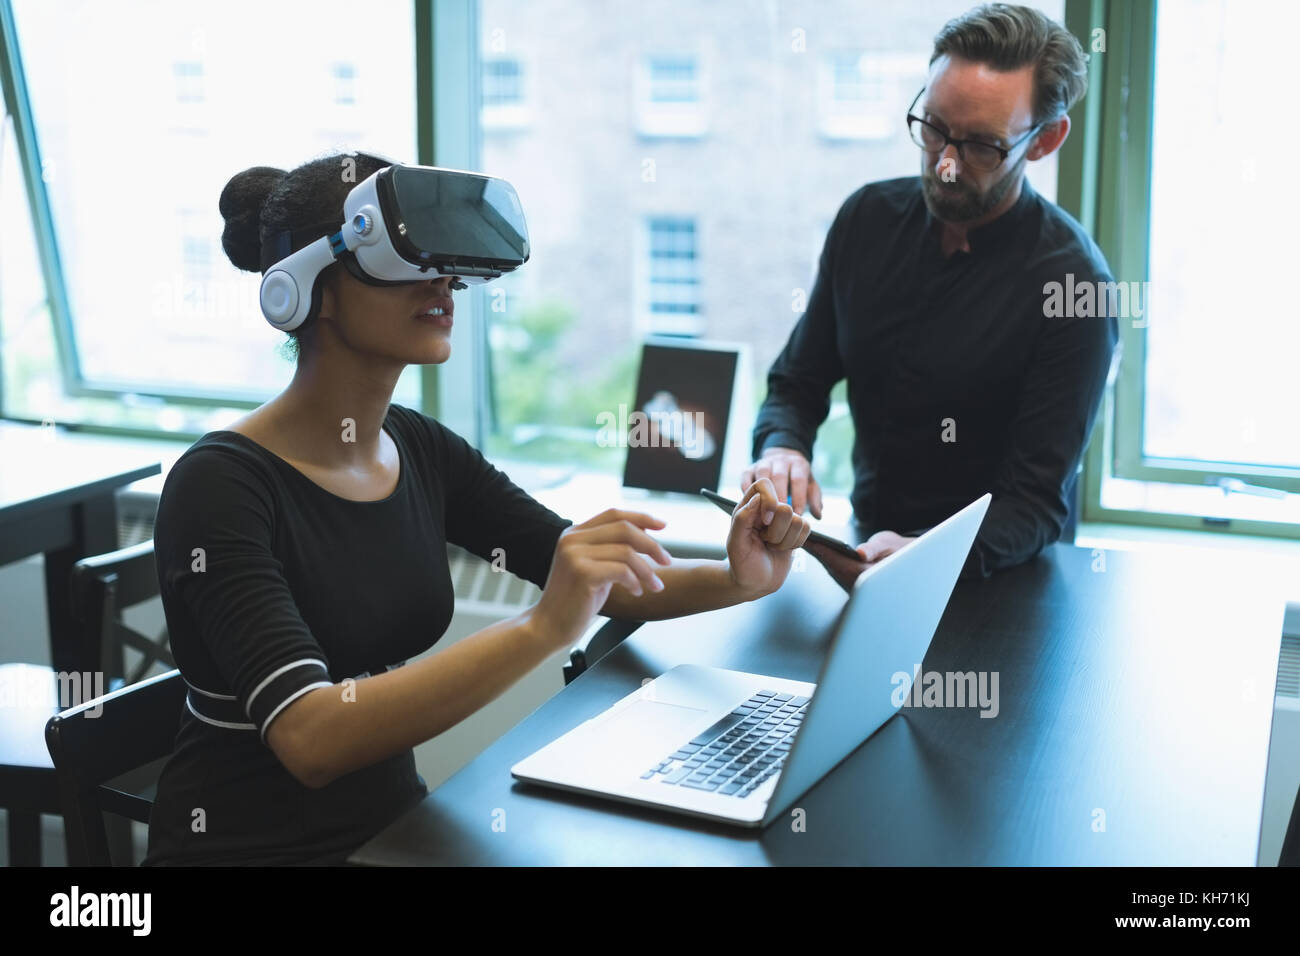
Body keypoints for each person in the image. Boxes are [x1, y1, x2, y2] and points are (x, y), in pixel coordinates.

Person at [142, 152, 811, 866]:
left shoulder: (419, 448)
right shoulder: (219, 488)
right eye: (401, 262)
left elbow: (588, 574)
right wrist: (544, 626)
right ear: (308, 292)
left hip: (400, 834)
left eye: (444, 263)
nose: (442, 284)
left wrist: (740, 578)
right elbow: (311, 738)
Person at [743, 3, 1118, 591]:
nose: (944, 165)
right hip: (862, 557)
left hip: (1002, 594)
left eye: (980, 147)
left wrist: (923, 554)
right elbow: (798, 382)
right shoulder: (866, 218)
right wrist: (782, 449)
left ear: (1045, 141)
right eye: (934, 128)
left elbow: (1035, 505)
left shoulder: (1075, 289)